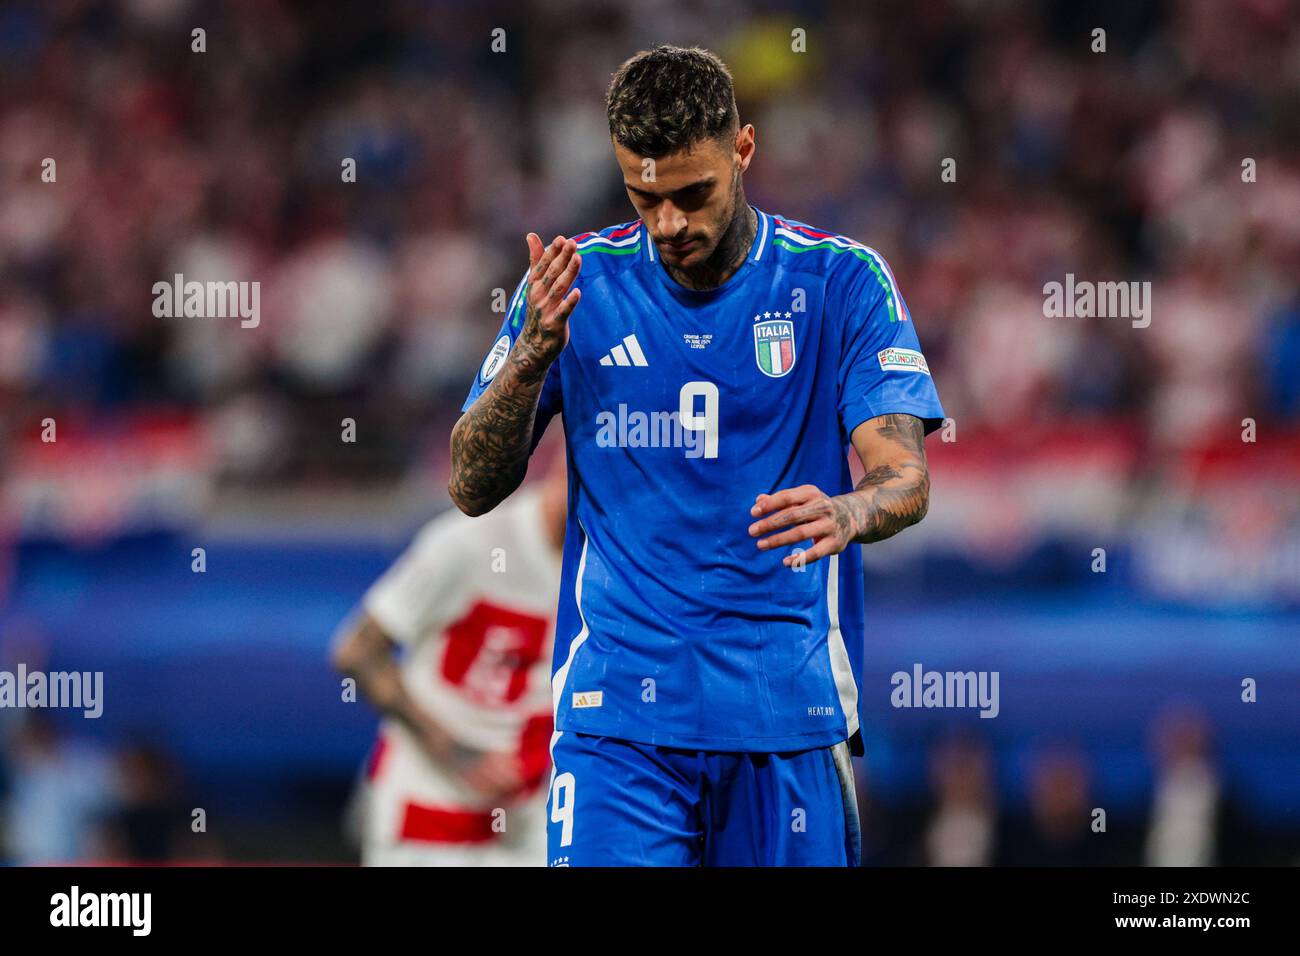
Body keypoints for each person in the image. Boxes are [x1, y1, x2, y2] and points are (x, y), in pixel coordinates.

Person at [448, 46, 944, 866]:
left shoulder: (840, 282)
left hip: (785, 714)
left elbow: (905, 477)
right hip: (618, 726)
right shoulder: (576, 288)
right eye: (644, 198)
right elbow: (470, 486)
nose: (669, 224)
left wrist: (849, 510)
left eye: (691, 194)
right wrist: (532, 354)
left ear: (743, 149)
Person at [333, 451, 566, 865]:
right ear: (564, 466)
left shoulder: (611, 564)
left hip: (531, 818)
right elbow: (357, 650)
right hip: (429, 813)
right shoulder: (472, 540)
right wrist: (456, 750)